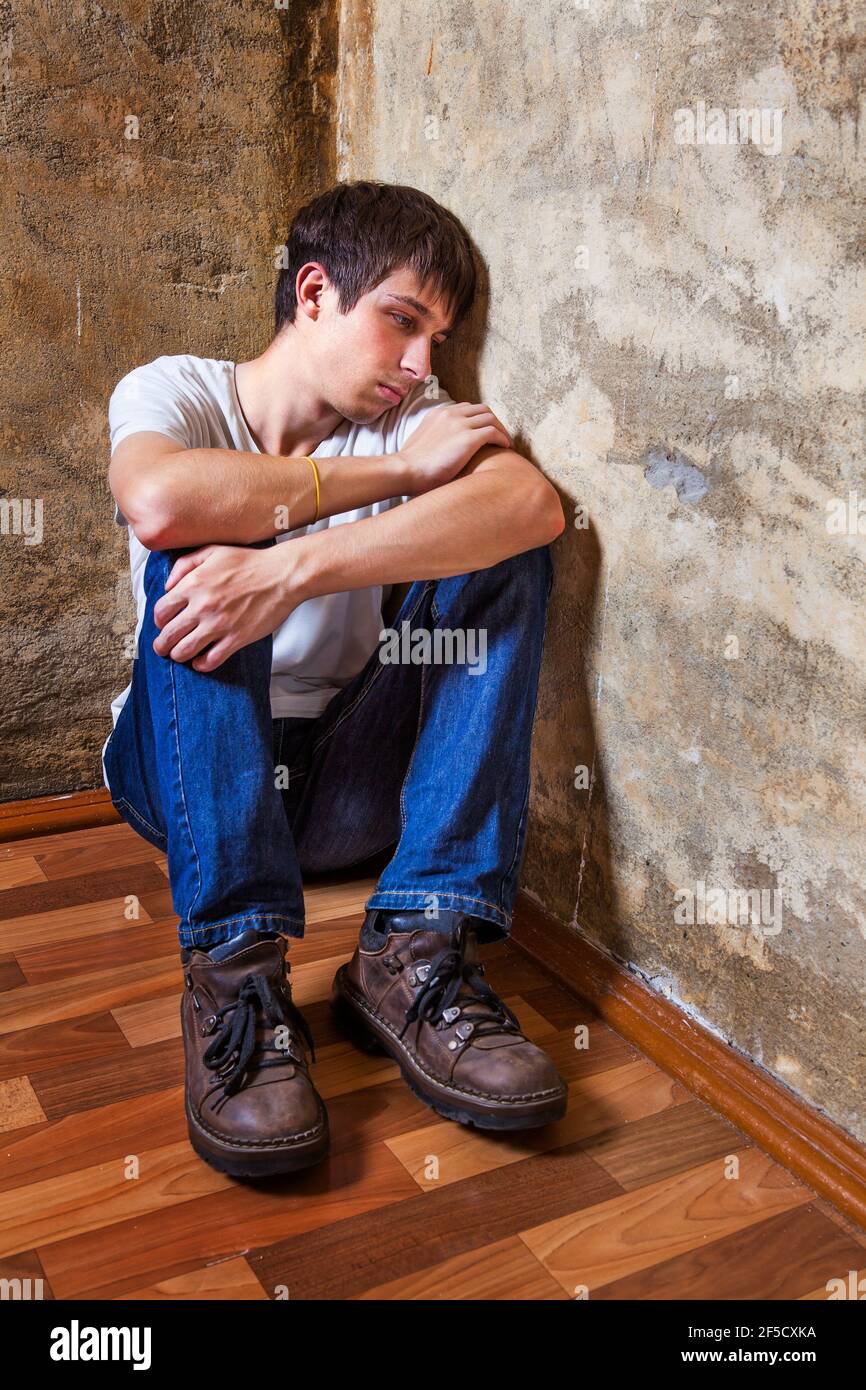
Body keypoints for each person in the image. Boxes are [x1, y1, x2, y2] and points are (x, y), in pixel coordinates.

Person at [102, 180, 568, 1178]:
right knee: (193, 548)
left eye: (437, 339)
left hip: (353, 789)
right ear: (313, 291)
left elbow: (529, 507)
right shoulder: (176, 389)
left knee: (503, 550)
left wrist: (293, 567)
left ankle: (412, 948)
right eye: (402, 321)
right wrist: (395, 481)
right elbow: (158, 496)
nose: (418, 364)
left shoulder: (415, 412)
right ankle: (235, 975)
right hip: (186, 780)